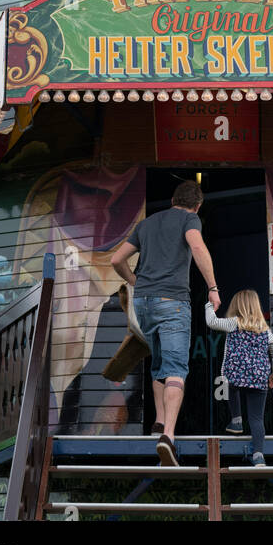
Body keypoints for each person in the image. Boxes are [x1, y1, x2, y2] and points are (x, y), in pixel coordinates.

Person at [111, 179, 219, 465]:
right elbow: (197, 246)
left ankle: (159, 421)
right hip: (172, 302)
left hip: (144, 303)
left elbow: (116, 260)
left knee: (158, 361)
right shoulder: (190, 219)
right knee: (175, 368)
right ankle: (168, 436)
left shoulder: (146, 224)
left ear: (172, 200)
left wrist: (135, 281)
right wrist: (212, 287)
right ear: (197, 205)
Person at [205, 288, 273, 466]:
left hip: (235, 376)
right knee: (257, 419)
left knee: (226, 385)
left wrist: (209, 304)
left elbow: (211, 321)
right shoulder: (265, 330)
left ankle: (236, 420)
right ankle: (258, 456)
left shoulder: (233, 323)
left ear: (236, 306)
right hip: (259, 378)